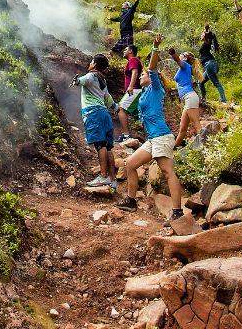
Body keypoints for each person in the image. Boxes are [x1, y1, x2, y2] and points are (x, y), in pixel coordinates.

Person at [116, 34, 184, 225]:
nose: (142, 76)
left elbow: (152, 67)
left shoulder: (155, 89)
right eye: (144, 75)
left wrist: (155, 47)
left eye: (144, 75)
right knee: (130, 164)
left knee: (168, 172)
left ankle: (177, 212)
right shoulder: (145, 93)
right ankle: (130, 201)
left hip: (162, 137)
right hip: (153, 139)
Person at [75, 54, 117, 188]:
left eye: (91, 61)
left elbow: (81, 81)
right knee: (108, 147)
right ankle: (113, 179)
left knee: (100, 145)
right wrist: (116, 107)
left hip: (93, 115)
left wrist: (76, 81)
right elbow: (109, 99)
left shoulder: (90, 76)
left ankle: (103, 176)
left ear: (94, 64)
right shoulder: (102, 81)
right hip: (105, 114)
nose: (89, 63)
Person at [172, 49, 200, 148]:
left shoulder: (185, 65)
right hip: (187, 99)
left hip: (189, 97)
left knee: (196, 124)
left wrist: (173, 53)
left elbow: (176, 59)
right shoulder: (184, 68)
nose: (180, 55)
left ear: (185, 58)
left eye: (182, 54)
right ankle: (174, 149)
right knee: (182, 129)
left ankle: (205, 148)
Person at [116, 45, 141, 142]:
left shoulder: (133, 60)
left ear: (131, 51)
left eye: (126, 49)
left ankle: (126, 135)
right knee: (138, 114)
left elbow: (135, 73)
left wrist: (131, 86)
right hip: (135, 90)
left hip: (135, 89)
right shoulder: (133, 61)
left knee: (120, 108)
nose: (123, 51)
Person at [198, 23, 226, 103]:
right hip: (211, 64)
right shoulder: (205, 44)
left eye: (202, 34)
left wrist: (206, 31)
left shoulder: (207, 43)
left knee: (216, 83)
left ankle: (224, 101)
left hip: (209, 65)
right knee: (200, 82)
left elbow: (208, 39)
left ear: (205, 37)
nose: (201, 35)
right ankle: (203, 99)